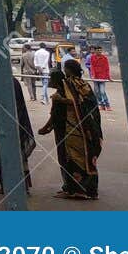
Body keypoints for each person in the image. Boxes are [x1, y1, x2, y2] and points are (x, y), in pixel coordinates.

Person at [39, 58, 102, 199]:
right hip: (85, 129)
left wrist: (60, 100)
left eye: (66, 68)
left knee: (72, 158)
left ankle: (77, 190)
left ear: (69, 69)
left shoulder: (69, 84)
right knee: (83, 158)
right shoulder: (83, 84)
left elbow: (77, 103)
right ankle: (82, 189)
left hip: (73, 128)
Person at [0, 71, 37, 194]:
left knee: (5, 156)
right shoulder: (14, 81)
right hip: (17, 125)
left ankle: (6, 185)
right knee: (19, 155)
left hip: (2, 127)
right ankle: (24, 186)